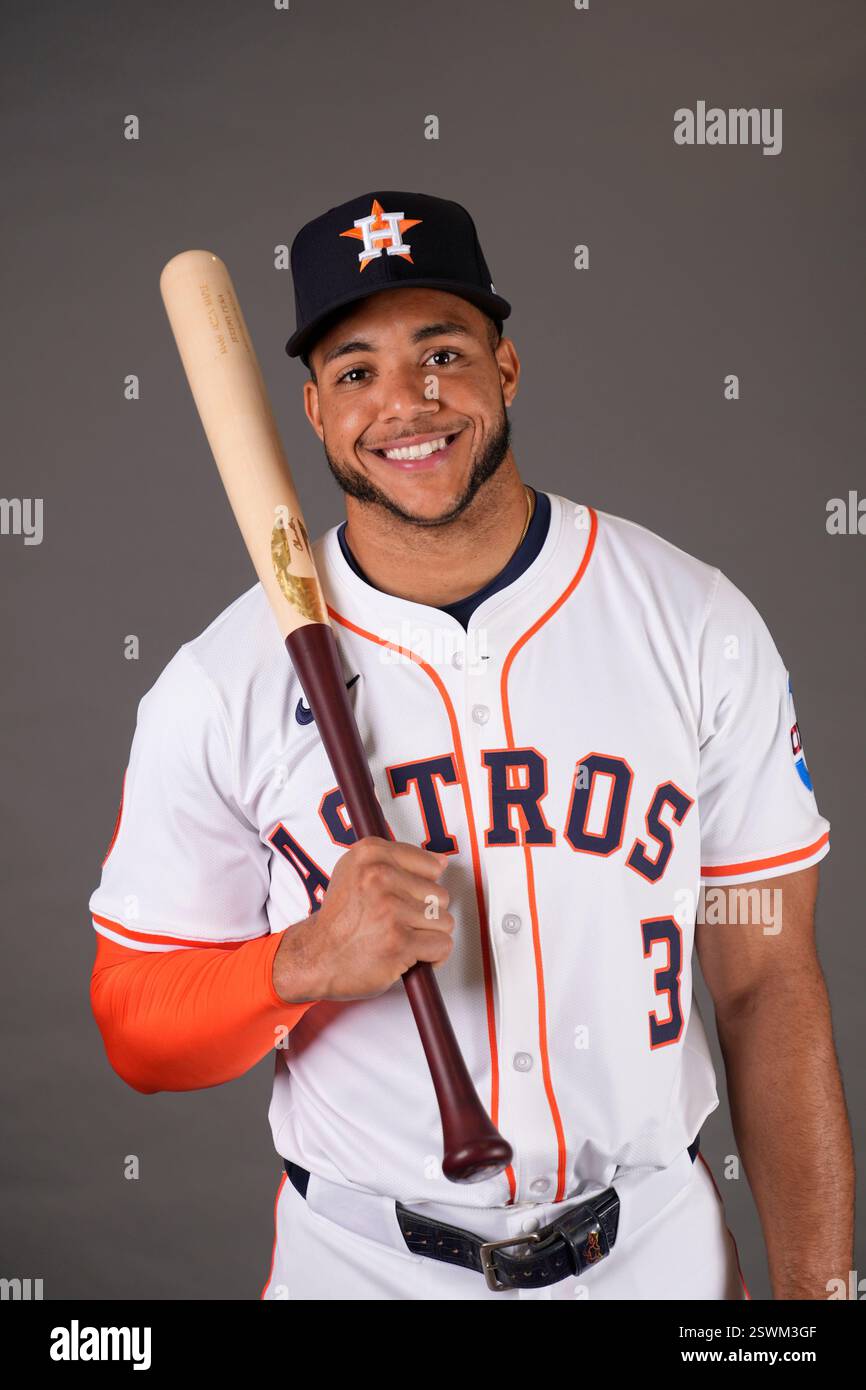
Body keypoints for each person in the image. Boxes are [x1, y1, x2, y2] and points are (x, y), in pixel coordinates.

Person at [89, 190, 852, 1300]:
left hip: (654, 1256)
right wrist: (301, 962)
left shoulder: (692, 623)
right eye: (356, 371)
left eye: (439, 351)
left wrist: (818, 1299)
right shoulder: (219, 683)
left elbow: (767, 984)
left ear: (506, 366)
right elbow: (136, 1030)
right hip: (363, 1265)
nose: (406, 402)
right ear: (310, 410)